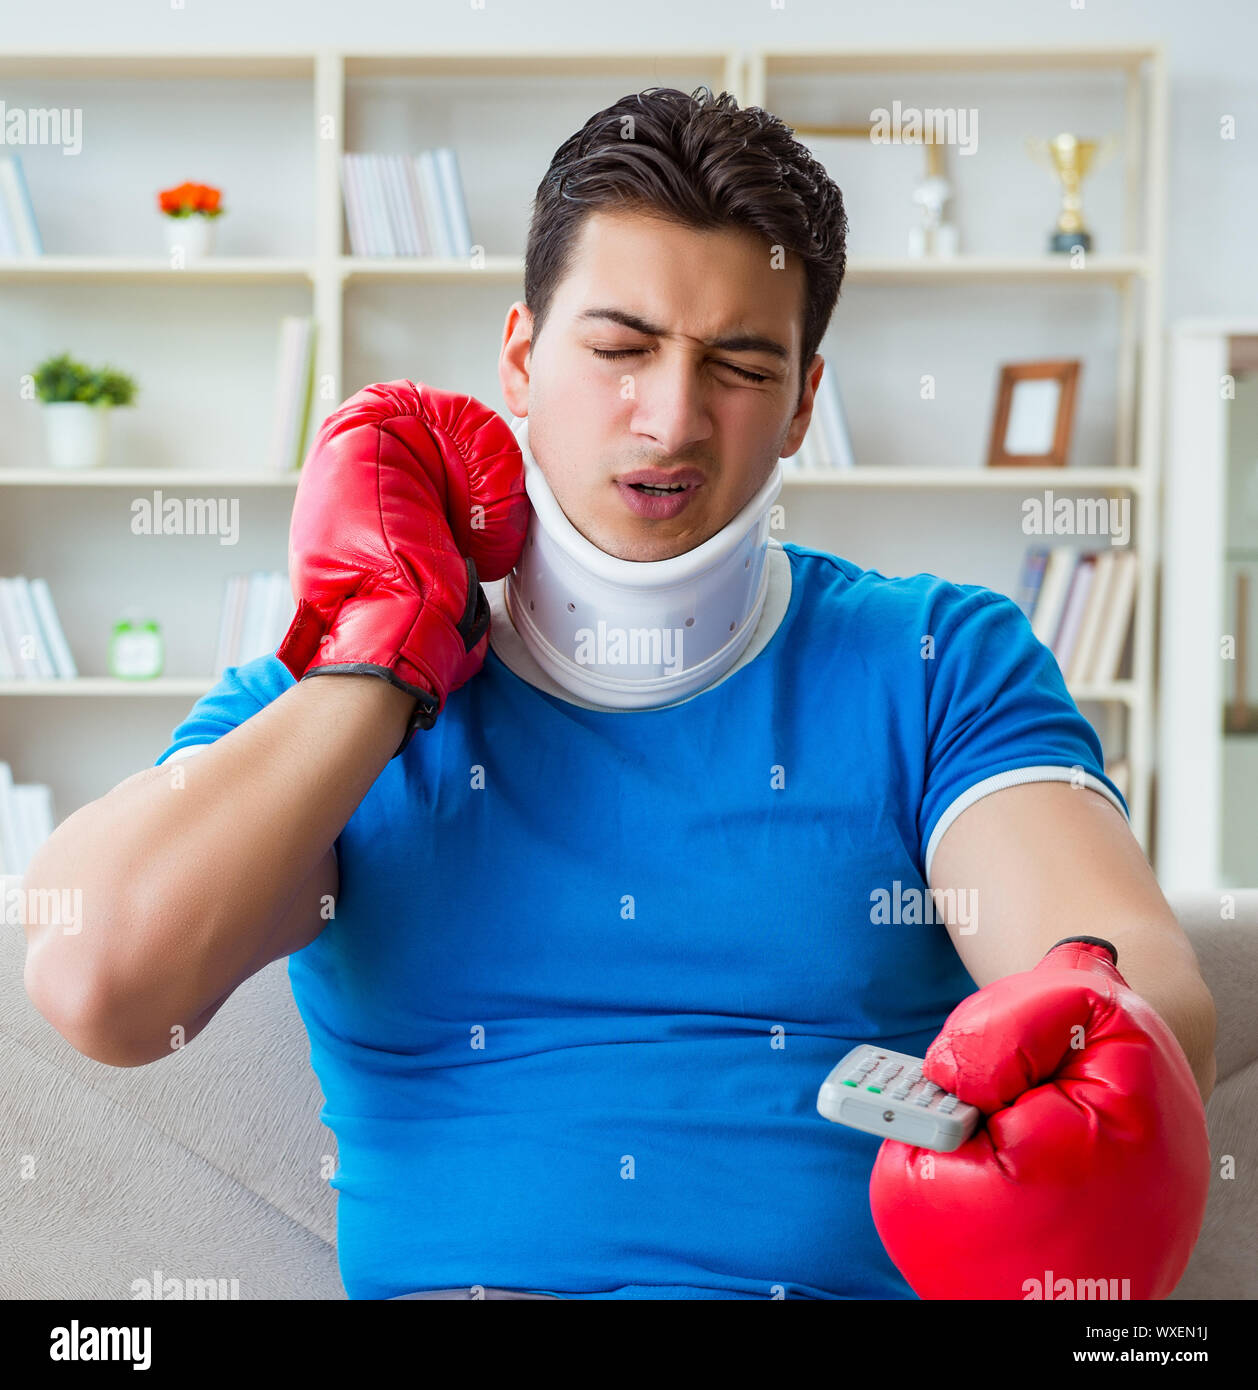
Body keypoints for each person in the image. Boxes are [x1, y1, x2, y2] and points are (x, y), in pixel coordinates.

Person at [23, 87, 1215, 1302]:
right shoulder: (324, 695)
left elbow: (1135, 993)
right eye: (620, 347)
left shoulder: (935, 658)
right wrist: (384, 658)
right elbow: (100, 987)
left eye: (740, 365)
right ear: (522, 360)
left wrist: (1098, 1034)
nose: (673, 417)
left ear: (804, 400)